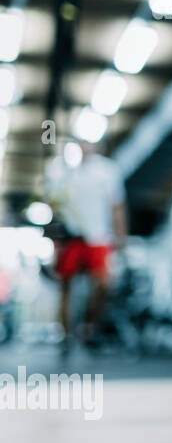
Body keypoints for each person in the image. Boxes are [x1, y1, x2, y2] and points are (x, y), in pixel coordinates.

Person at [41, 138, 128, 353]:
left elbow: (117, 206)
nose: (85, 147)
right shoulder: (59, 170)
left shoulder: (107, 171)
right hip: (70, 238)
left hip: (97, 236)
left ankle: (89, 327)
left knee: (103, 285)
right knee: (65, 286)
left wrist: (120, 235)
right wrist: (55, 240)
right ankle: (65, 335)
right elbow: (52, 207)